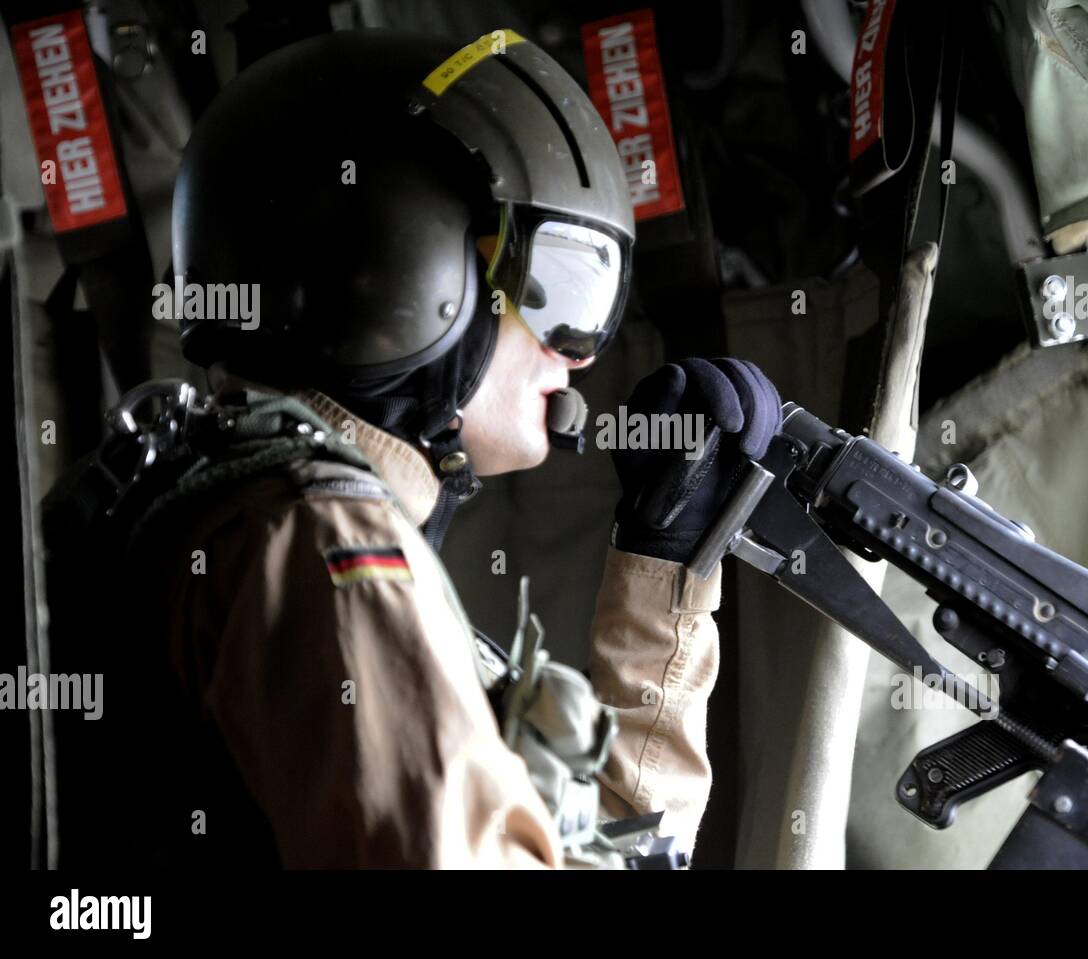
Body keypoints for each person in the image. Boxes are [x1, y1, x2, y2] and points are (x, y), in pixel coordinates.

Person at [99, 28, 781, 868]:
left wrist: (665, 571)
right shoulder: (322, 542)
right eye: (561, 284)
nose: (582, 353)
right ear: (407, 261)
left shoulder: (245, 510)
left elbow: (592, 851)